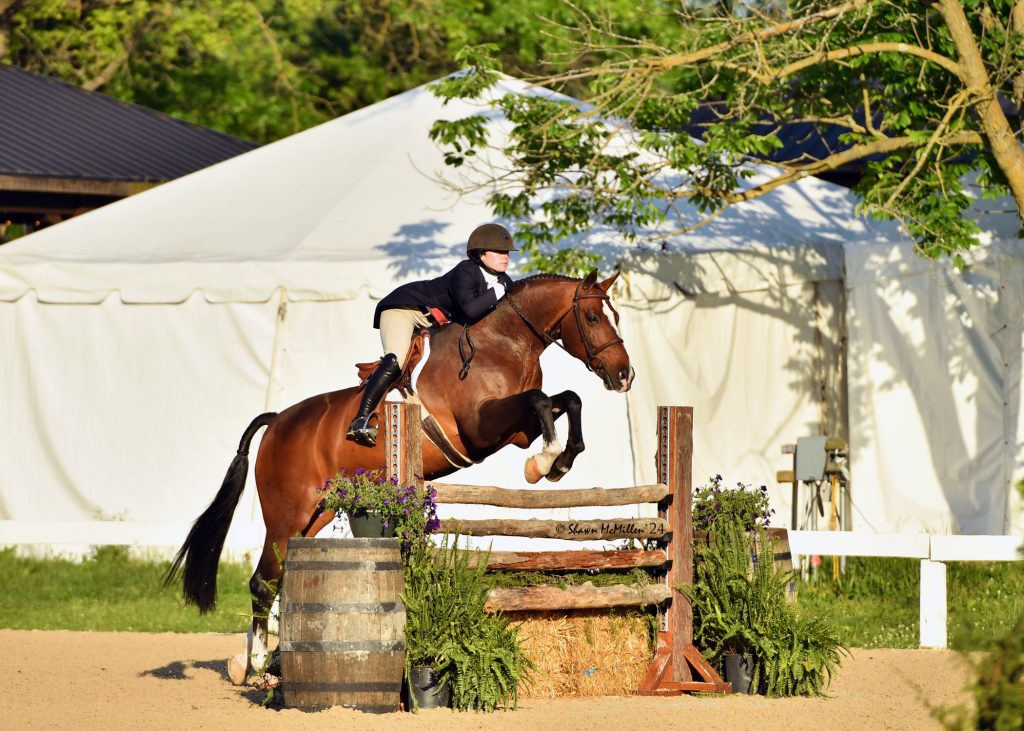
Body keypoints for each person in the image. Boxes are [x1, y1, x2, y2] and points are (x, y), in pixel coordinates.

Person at [346, 222, 517, 446]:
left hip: (434, 322)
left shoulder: (504, 281)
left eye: (507, 253)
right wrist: (497, 291)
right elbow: (469, 310)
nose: (506, 257)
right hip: (405, 310)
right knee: (396, 360)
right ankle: (361, 419)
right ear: (481, 255)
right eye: (499, 252)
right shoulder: (465, 272)